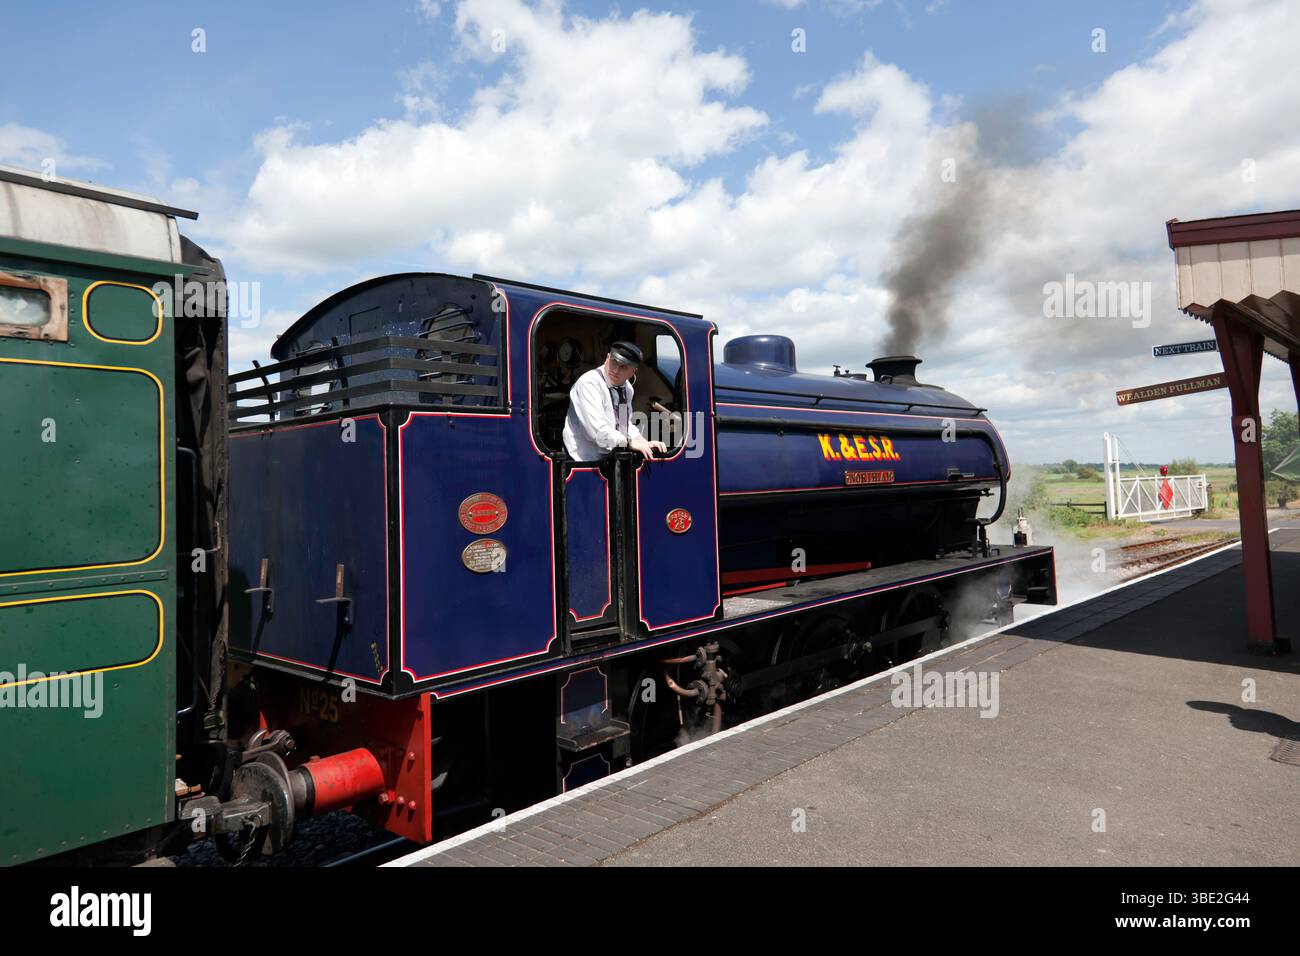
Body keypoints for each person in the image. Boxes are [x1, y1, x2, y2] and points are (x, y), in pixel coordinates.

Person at [562, 340, 667, 462]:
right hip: (581, 462)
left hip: (607, 460)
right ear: (607, 358)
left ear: (633, 371)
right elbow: (597, 433)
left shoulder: (627, 389)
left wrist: (643, 442)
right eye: (614, 362)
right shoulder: (588, 384)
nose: (616, 370)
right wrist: (629, 442)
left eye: (623, 367)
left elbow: (623, 425)